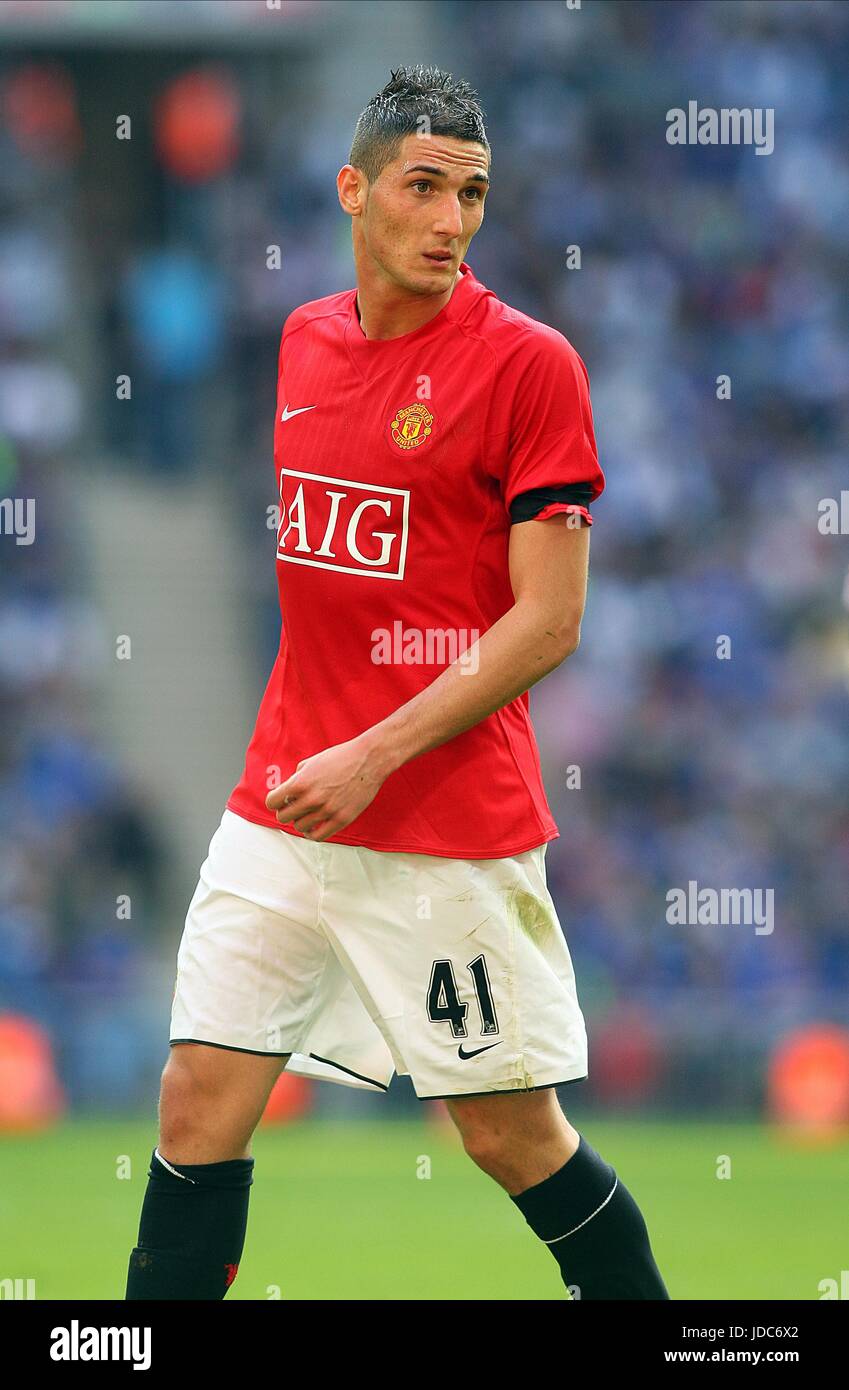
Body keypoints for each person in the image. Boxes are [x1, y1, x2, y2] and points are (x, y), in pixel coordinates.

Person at [125, 64, 668, 1302]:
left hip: (441, 823)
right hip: (284, 805)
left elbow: (551, 621)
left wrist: (374, 751)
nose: (450, 219)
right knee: (197, 1099)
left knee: (508, 1136)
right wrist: (325, 748)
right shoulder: (301, 340)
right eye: (423, 186)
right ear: (353, 190)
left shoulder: (531, 367)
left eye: (471, 194)